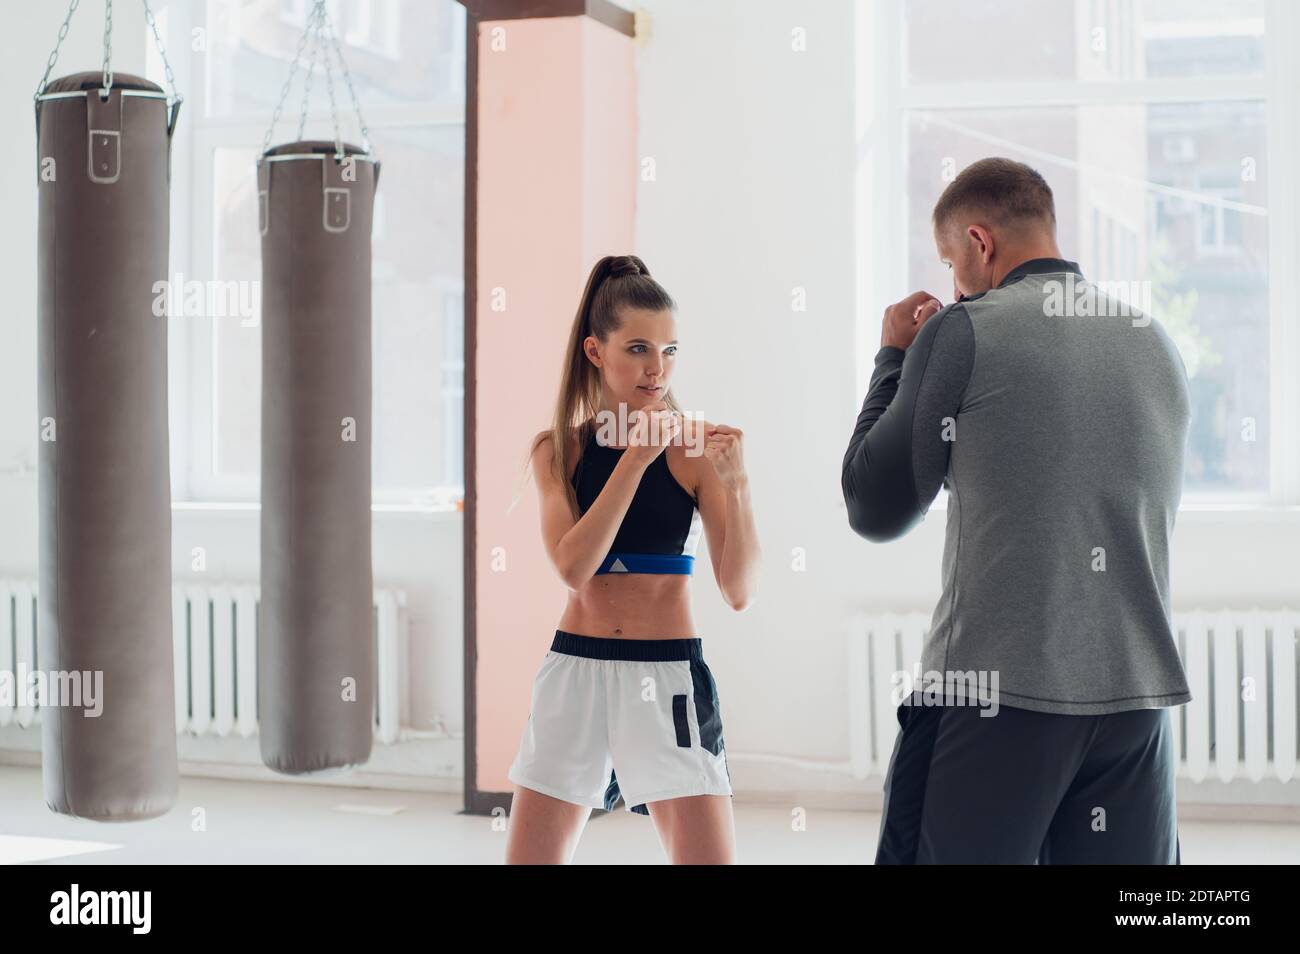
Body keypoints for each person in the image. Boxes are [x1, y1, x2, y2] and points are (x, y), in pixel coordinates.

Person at [842, 157, 1191, 864]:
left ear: (979, 242)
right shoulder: (1154, 342)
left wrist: (892, 359)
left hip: (993, 700)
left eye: (950, 262)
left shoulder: (964, 332)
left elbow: (873, 505)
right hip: (1135, 705)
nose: (955, 283)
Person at [504, 254, 762, 864]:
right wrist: (635, 459)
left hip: (666, 673)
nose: (658, 368)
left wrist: (740, 486)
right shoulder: (557, 451)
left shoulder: (695, 450)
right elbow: (573, 567)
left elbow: (738, 590)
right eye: (640, 348)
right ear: (596, 351)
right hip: (576, 669)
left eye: (670, 350)